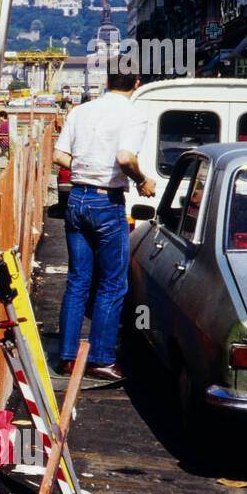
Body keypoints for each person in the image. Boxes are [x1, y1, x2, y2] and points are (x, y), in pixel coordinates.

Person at [52, 63, 156, 383]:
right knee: (112, 283)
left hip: (78, 199)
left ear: (108, 81)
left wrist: (85, 169)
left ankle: (67, 357)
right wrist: (142, 180)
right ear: (136, 83)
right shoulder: (132, 113)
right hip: (105, 202)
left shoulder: (82, 111)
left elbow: (59, 156)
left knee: (78, 281)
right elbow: (125, 157)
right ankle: (100, 359)